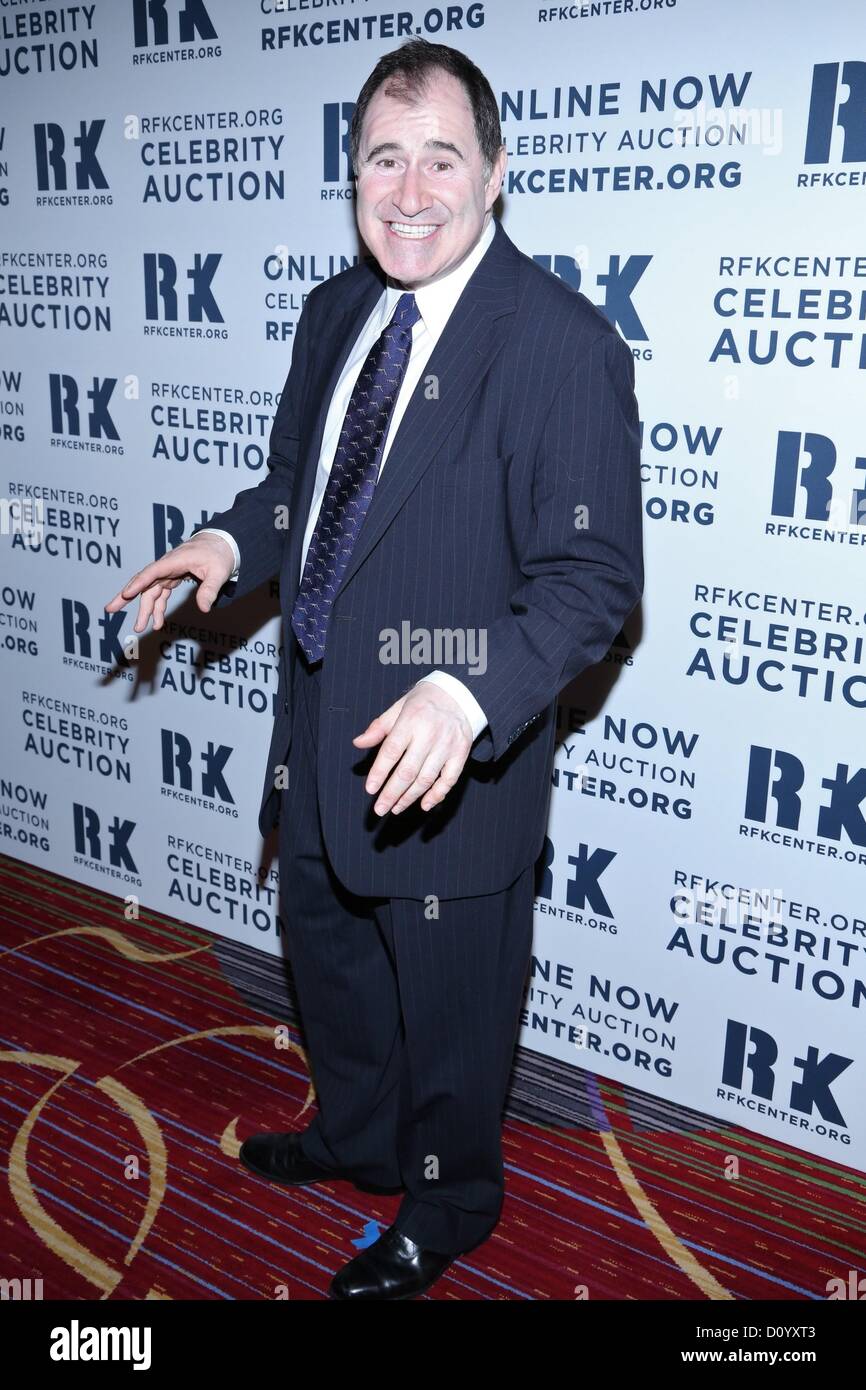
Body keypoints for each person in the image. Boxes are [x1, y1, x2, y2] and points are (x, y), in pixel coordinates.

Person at [105, 37, 644, 1300]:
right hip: (317, 736)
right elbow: (302, 490)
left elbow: (589, 581)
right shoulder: (335, 310)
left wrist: (463, 692)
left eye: (439, 157)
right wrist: (229, 541)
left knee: (453, 1010)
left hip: (449, 755)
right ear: (350, 175)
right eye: (380, 160)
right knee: (335, 967)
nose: (408, 192)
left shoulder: (560, 345)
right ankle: (356, 1133)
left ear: (496, 173)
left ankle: (448, 1200)